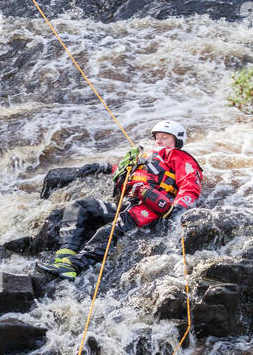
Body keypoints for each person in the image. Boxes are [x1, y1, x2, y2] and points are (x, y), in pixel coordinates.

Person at [36, 120, 203, 280]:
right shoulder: (147, 155)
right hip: (127, 204)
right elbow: (124, 170)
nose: (159, 140)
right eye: (157, 136)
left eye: (164, 137)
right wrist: (104, 167)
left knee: (106, 233)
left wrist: (178, 208)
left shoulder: (178, 156)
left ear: (177, 140)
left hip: (150, 208)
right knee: (79, 207)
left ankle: (73, 267)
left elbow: (190, 184)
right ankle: (64, 255)